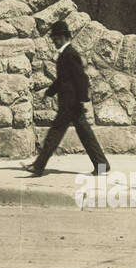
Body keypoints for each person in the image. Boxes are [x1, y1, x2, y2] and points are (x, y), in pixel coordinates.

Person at [21, 20, 111, 177]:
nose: (53, 41)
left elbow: (81, 78)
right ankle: (102, 166)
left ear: (62, 37)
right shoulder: (66, 54)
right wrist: (49, 92)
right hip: (71, 104)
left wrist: (82, 99)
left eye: (55, 38)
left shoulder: (70, 54)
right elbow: (63, 80)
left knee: (54, 135)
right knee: (85, 135)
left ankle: (38, 166)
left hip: (70, 104)